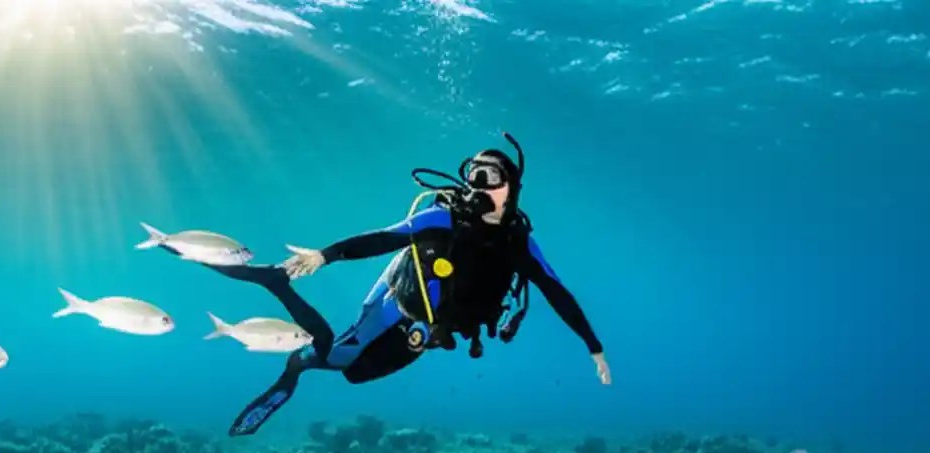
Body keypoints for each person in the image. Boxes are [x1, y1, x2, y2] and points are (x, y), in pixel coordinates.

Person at [162, 133, 610, 436]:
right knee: (340, 358)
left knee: (358, 377)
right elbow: (385, 238)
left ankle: (300, 331)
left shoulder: (519, 242)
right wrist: (325, 255)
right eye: (473, 174)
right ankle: (282, 301)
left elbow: (556, 290)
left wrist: (594, 346)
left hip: (433, 328)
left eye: (490, 177)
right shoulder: (443, 218)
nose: (477, 185)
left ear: (512, 186)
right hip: (399, 297)